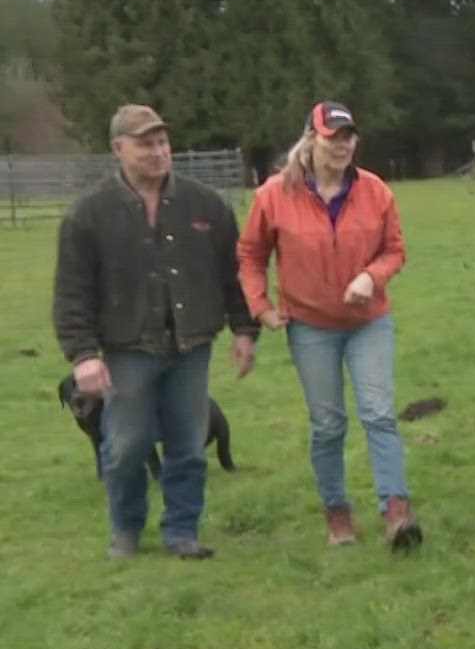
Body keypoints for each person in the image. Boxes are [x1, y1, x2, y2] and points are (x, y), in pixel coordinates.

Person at [52, 103, 258, 560]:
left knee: (188, 446)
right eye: (145, 144)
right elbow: (71, 293)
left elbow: (232, 275)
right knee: (125, 448)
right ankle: (126, 532)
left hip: (192, 345)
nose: (158, 151)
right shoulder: (88, 216)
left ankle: (181, 532)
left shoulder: (206, 206)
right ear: (118, 149)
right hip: (128, 349)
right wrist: (84, 354)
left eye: (162, 142)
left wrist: (244, 331)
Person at [237, 100, 422, 551]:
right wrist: (260, 307)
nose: (342, 145)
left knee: (379, 413)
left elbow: (395, 250)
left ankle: (396, 511)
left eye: (348, 137)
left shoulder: (376, 191)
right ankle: (337, 512)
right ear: (311, 139)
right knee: (328, 425)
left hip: (368, 322)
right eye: (332, 136)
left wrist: (370, 277)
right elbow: (251, 256)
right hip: (310, 326)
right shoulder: (274, 195)